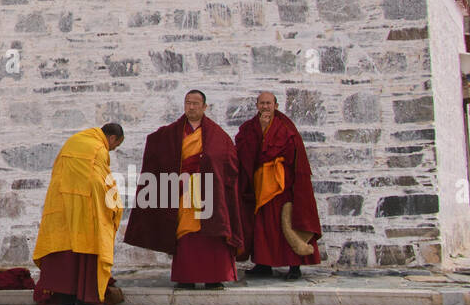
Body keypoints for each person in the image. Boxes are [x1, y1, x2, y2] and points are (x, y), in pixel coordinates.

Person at [124, 89, 243, 289]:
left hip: (208, 192)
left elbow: (228, 163)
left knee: (211, 230)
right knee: (185, 231)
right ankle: (186, 277)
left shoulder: (217, 135)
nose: (191, 106)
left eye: (196, 103)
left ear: (205, 107)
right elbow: (160, 152)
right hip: (184, 189)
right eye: (188, 102)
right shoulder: (171, 133)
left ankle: (213, 278)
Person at [33, 123, 124, 305]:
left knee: (64, 248)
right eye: (115, 146)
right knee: (87, 247)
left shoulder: (74, 140)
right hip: (86, 209)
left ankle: (65, 297)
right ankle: (85, 298)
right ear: (113, 138)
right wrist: (114, 206)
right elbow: (100, 182)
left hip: (61, 206)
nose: (112, 149)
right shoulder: (99, 149)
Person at [235, 91, 322, 280]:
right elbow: (245, 152)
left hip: (282, 186)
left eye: (269, 103)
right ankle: (263, 264)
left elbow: (295, 155)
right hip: (260, 185)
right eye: (262, 103)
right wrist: (262, 129)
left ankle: (294, 266)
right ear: (257, 105)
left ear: (276, 105)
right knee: (263, 227)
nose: (265, 107)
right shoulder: (249, 128)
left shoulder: (286, 127)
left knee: (287, 225)